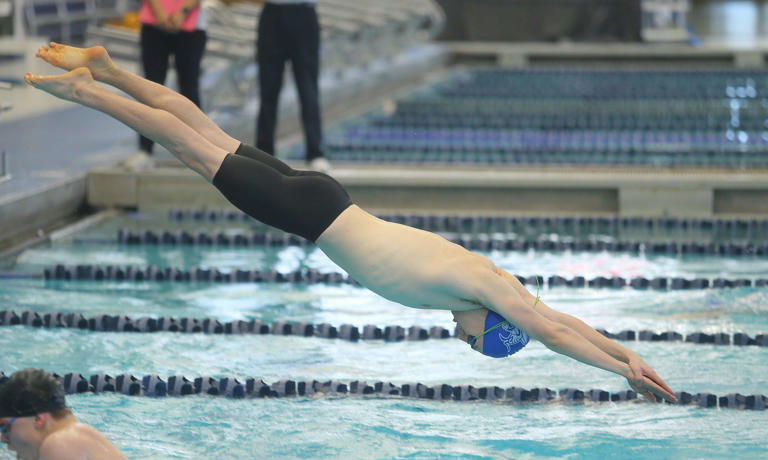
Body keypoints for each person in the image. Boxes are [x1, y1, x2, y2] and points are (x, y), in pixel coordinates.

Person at [25, 43, 677, 404]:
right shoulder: (492, 295)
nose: (462, 338)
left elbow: (560, 321)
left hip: (328, 199)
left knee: (204, 132)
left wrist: (626, 355)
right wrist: (615, 370)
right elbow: (554, 332)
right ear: (497, 326)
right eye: (476, 342)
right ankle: (89, 88)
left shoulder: (494, 284)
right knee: (193, 148)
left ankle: (110, 68)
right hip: (312, 215)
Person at [0, 368, 165, 460]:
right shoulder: (73, 437)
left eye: (5, 426)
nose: (3, 438)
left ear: (38, 419)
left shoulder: (60, 444)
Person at [252, 0, 330, 173]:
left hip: (303, 15)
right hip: (272, 15)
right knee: (268, 91)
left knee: (308, 89)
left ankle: (315, 152)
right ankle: (264, 152)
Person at [130, 0, 207, 169]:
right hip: (154, 23)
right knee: (149, 89)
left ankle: (199, 150)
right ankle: (145, 150)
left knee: (189, 88)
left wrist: (182, 11)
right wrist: (159, 11)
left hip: (192, 26)